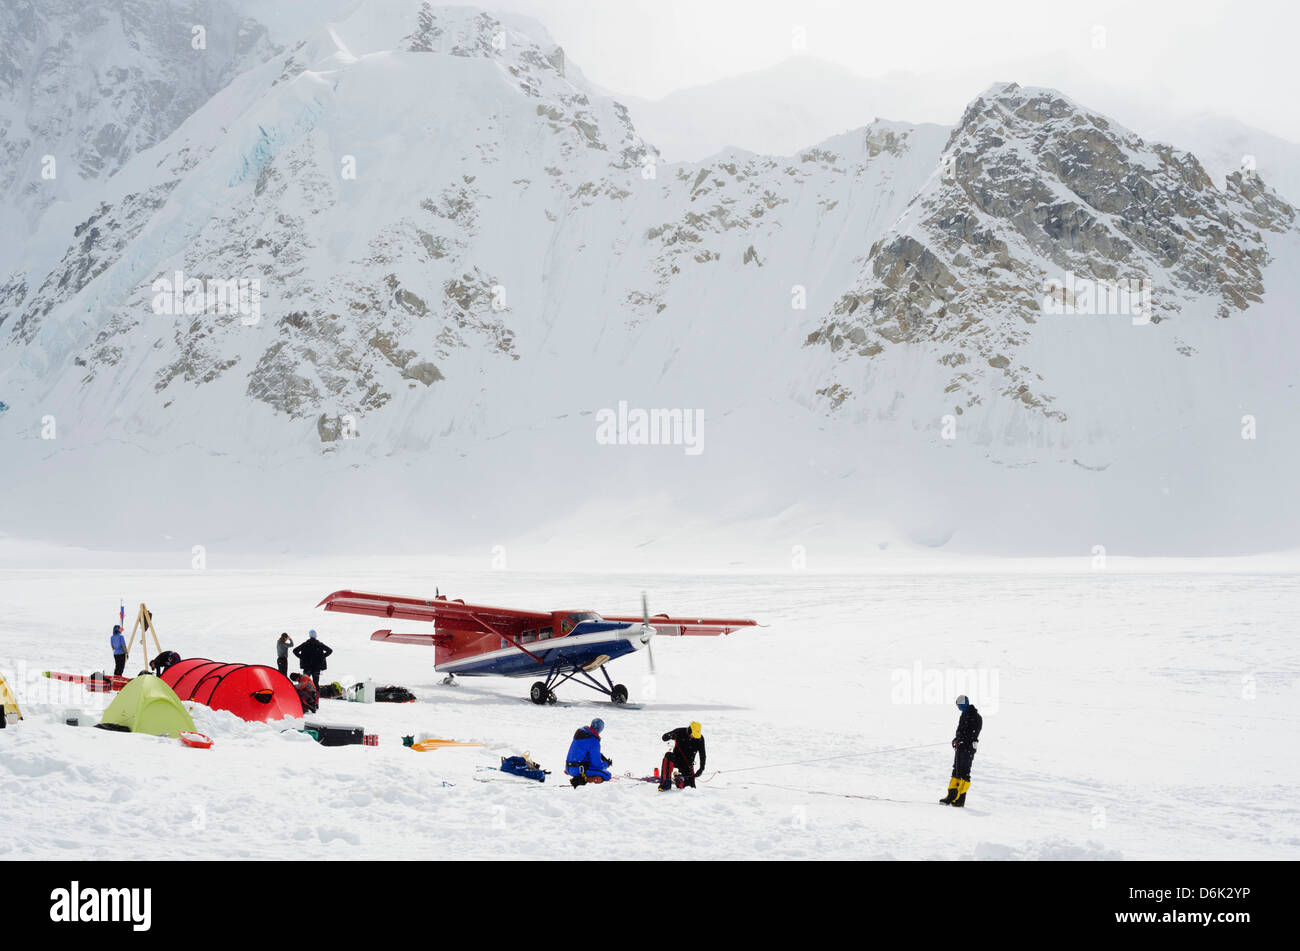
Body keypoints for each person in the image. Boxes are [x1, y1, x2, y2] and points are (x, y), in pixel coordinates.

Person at [940, 695, 982, 807]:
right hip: (960, 747)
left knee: (965, 773)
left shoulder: (976, 717)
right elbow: (960, 730)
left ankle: (960, 799)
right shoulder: (963, 715)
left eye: (959, 705)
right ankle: (951, 796)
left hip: (968, 749)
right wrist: (956, 739)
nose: (958, 707)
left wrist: (963, 741)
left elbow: (974, 734)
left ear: (964, 704)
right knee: (956, 771)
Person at [659, 720, 706, 791]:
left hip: (688, 765)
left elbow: (702, 755)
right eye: (693, 734)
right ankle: (665, 784)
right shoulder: (679, 732)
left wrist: (701, 769)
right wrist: (670, 735)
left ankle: (678, 778)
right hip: (676, 759)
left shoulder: (700, 739)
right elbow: (664, 738)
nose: (694, 737)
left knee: (690, 788)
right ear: (690, 730)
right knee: (668, 755)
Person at [564, 718, 612, 787]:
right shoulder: (593, 740)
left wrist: (600, 756)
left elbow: (583, 751)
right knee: (607, 775)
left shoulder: (581, 733)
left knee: (596, 768)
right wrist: (606, 764)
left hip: (568, 768)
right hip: (578, 770)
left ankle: (580, 776)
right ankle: (581, 779)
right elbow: (596, 764)